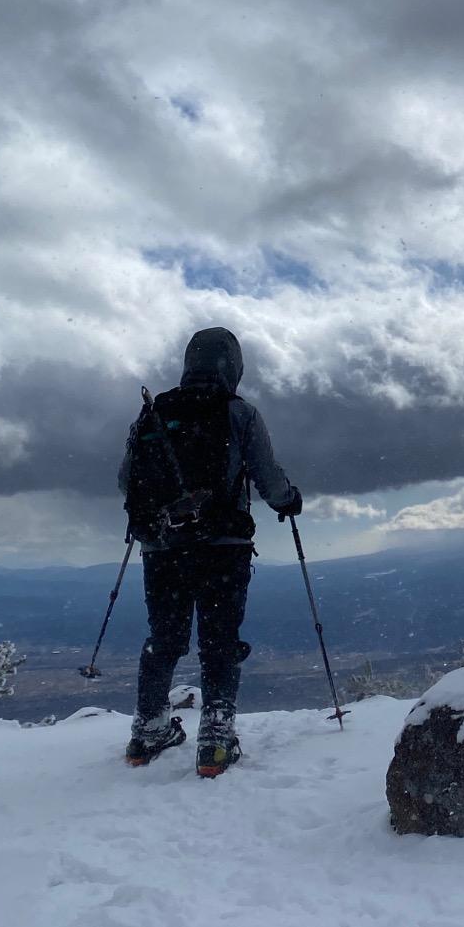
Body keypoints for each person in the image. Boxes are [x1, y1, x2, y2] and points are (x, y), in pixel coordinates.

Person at [118, 327, 301, 776]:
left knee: (164, 638)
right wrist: (288, 499)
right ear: (233, 367)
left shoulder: (154, 412)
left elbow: (126, 480)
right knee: (218, 639)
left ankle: (147, 731)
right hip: (222, 546)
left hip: (163, 548)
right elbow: (266, 476)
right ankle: (215, 740)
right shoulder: (239, 413)